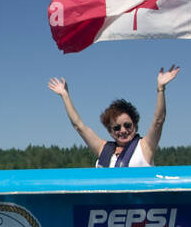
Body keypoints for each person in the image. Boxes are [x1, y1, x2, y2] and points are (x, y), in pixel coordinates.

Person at [47, 66, 180, 167]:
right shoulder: (102, 148)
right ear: (110, 131)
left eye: (127, 125)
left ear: (135, 124)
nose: (123, 131)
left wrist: (160, 89)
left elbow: (158, 120)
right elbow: (79, 126)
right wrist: (65, 95)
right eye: (116, 128)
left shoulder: (145, 146)